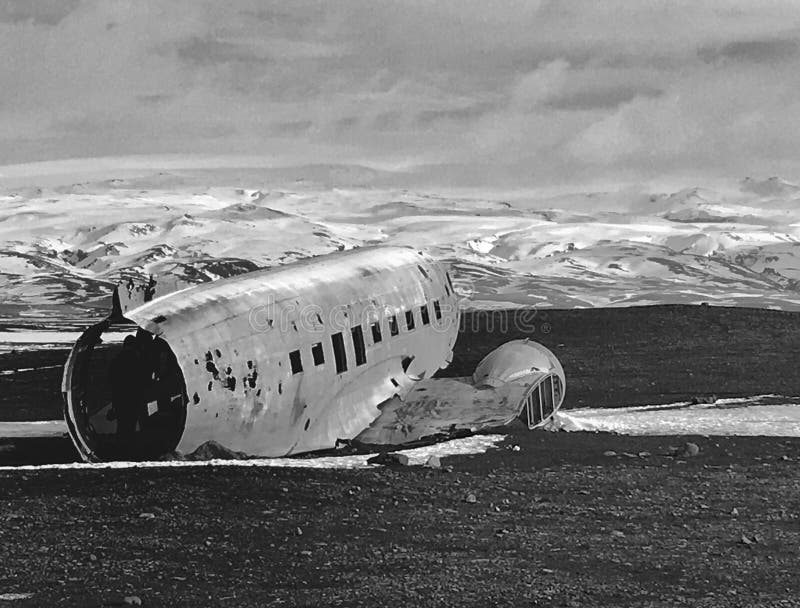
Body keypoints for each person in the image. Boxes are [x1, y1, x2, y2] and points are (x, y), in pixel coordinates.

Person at [109, 336, 146, 459]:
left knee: (122, 426)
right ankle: (129, 451)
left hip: (120, 400)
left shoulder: (116, 361)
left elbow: (112, 383)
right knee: (131, 425)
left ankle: (121, 451)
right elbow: (141, 382)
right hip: (134, 400)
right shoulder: (137, 361)